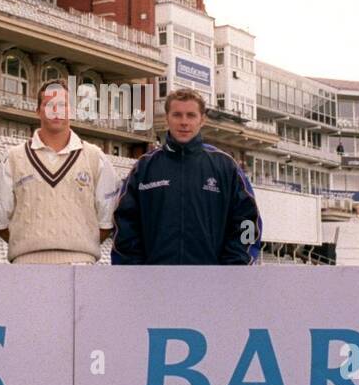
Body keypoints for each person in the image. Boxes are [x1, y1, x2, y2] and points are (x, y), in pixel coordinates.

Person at [112, 88, 262, 265]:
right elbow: (124, 225)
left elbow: (248, 222)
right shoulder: (144, 168)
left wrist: (233, 269)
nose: (184, 122)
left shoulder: (225, 167)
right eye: (177, 115)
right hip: (155, 283)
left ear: (202, 120)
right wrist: (136, 272)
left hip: (212, 283)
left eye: (191, 115)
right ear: (167, 118)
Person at [0, 80, 120, 264]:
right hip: (27, 265)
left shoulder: (95, 158)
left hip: (81, 264)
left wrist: (79, 245)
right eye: (49, 105)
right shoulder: (13, 158)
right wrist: (29, 244)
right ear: (38, 110)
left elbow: (108, 221)